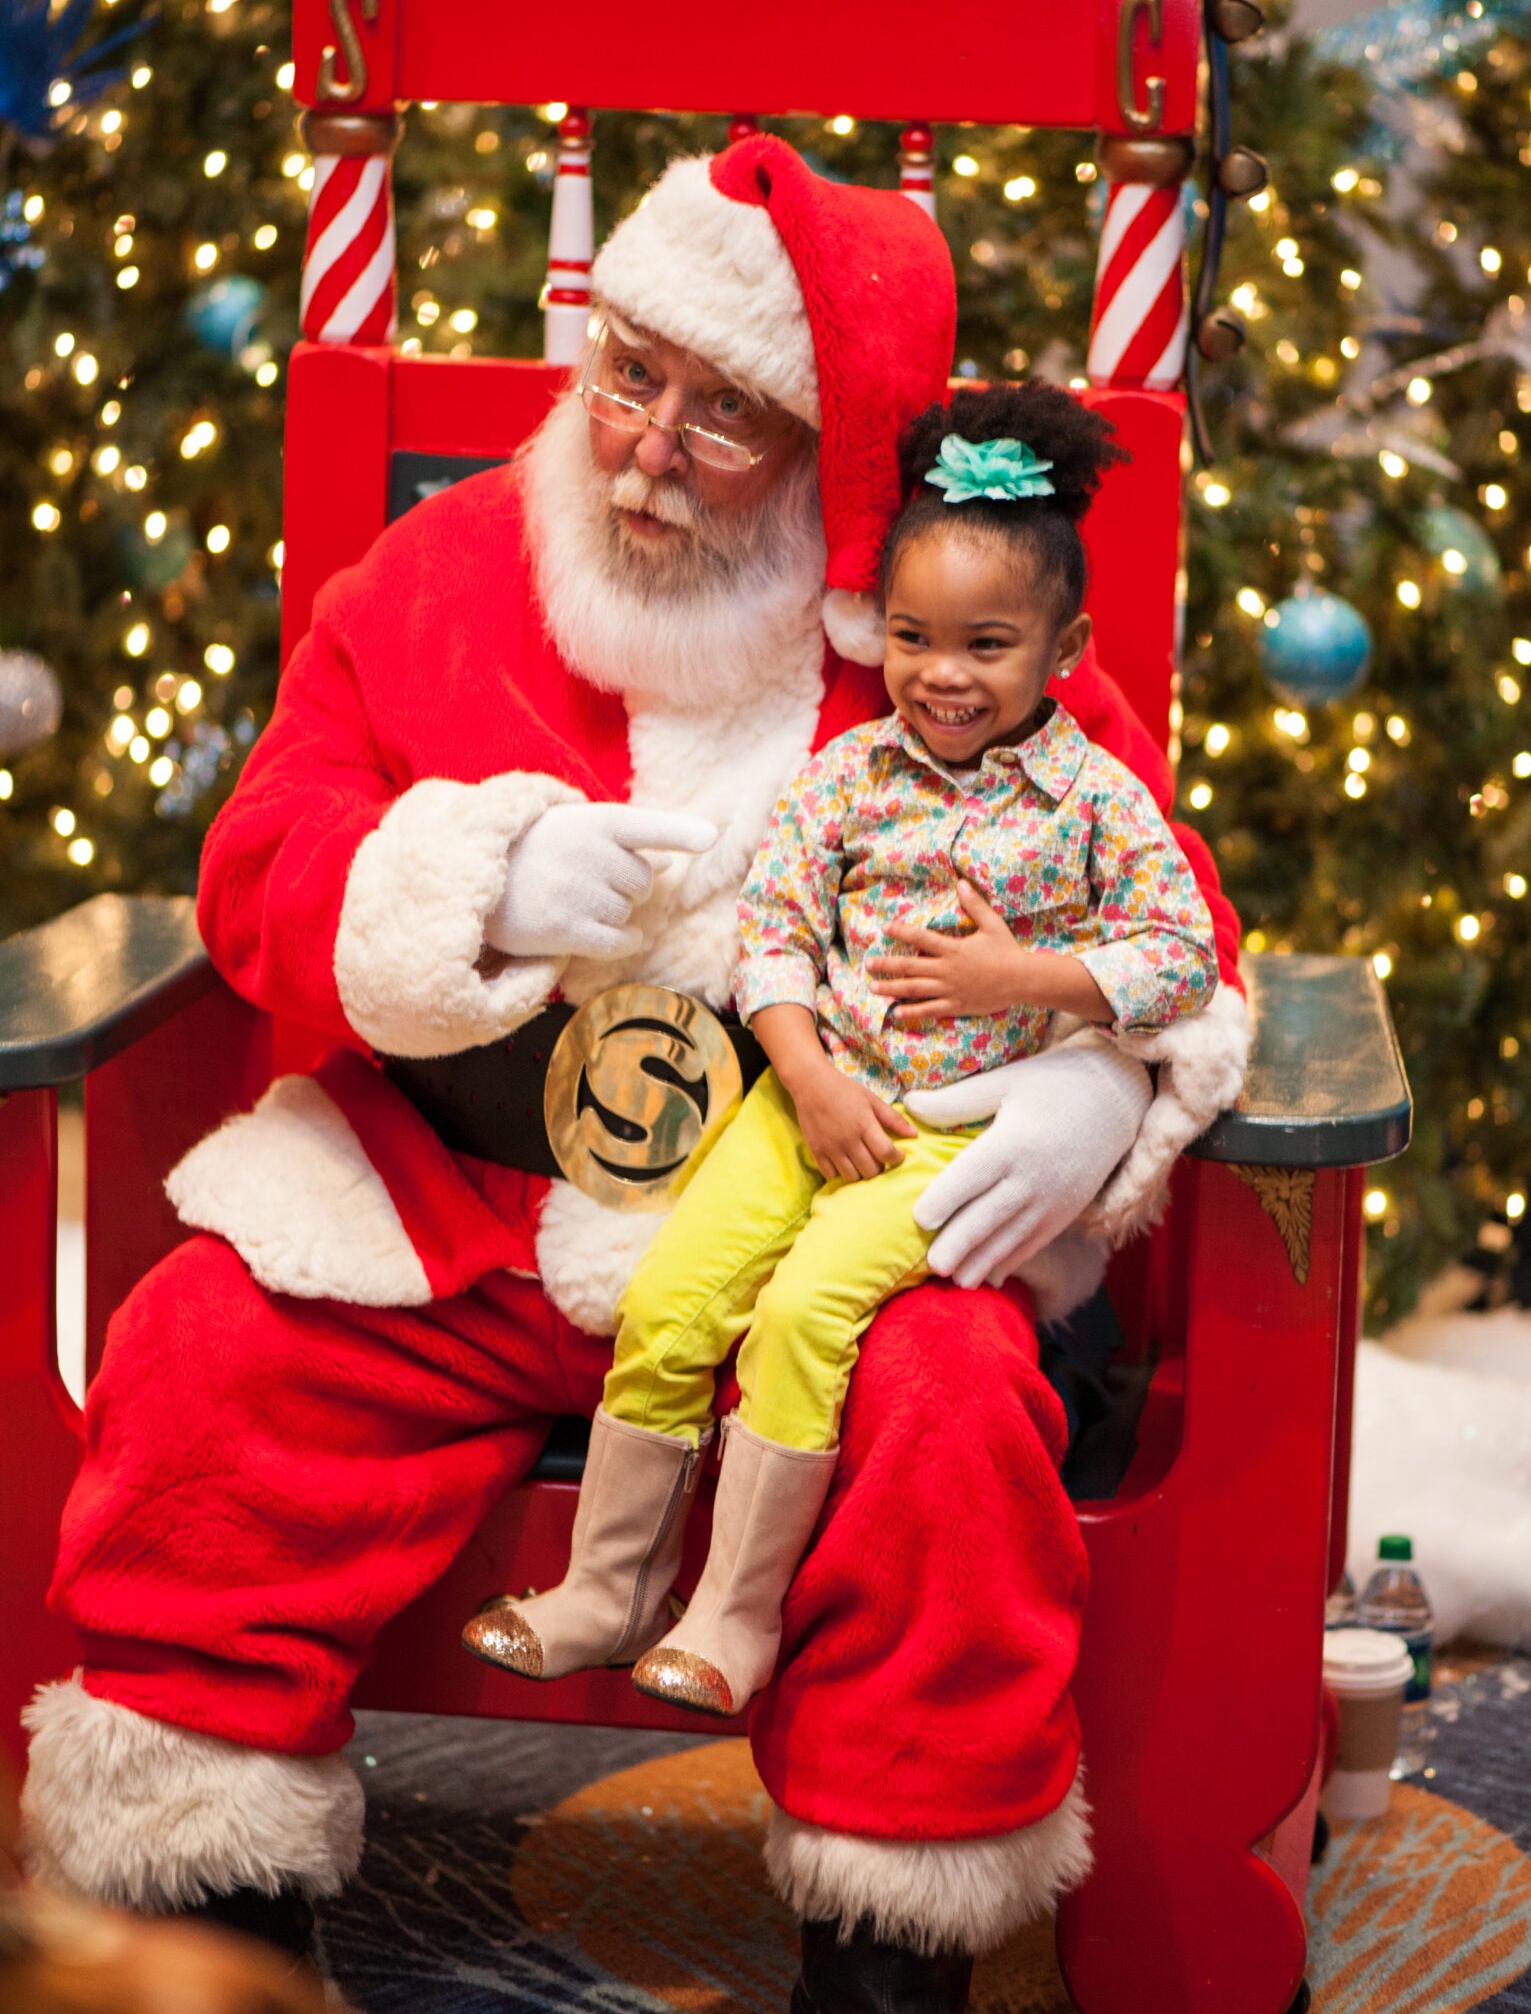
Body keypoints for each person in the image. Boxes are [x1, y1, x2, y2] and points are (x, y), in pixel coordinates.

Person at [20, 136, 1251, 2013]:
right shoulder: (442, 574)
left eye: (726, 415)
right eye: (627, 377)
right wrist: (470, 880)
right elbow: (259, 867)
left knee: (947, 1405)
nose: (647, 449)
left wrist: (1098, 1089)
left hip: (822, 1227)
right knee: (210, 1356)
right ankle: (201, 1934)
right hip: (461, 1211)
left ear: (833, 459)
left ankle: (889, 1955)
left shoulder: (943, 650)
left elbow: (1180, 925)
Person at [465, 385, 1217, 1720]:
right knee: (678, 1295)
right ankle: (610, 1588)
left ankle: (735, 1612)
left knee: (808, 1319)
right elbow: (774, 944)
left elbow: (1181, 959)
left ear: (1064, 645)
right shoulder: (849, 777)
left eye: (986, 645)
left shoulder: (1098, 801)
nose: (941, 673)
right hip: (807, 1102)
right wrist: (803, 1077)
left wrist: (1031, 978)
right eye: (915, 638)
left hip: (949, 1133)